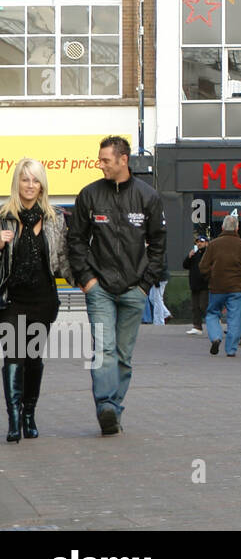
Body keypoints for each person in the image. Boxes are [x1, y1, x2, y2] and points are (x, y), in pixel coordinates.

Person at [67, 135, 167, 436]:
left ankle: (113, 410)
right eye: (100, 160)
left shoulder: (148, 196)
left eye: (106, 161)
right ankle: (105, 407)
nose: (101, 166)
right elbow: (76, 240)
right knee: (104, 350)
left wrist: (145, 285)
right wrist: (87, 280)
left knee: (123, 356)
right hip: (100, 289)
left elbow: (160, 245)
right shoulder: (89, 195)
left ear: (123, 160)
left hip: (134, 290)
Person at [0, 159, 70, 442]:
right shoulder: (3, 217)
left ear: (42, 185)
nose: (30, 185)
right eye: (25, 179)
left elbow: (64, 259)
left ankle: (30, 414)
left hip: (42, 300)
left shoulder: (56, 219)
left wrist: (89, 283)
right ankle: (14, 418)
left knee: (33, 358)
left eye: (35, 180)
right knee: (14, 355)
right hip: (11, 300)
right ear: (16, 182)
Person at [199, 214, 241, 357]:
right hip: (236, 287)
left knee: (212, 313)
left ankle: (216, 337)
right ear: (237, 228)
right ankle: (231, 349)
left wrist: (211, 276)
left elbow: (203, 266)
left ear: (223, 227)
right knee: (235, 317)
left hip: (217, 286)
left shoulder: (213, 244)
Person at [182, 230, 210, 335]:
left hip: (205, 285)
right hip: (194, 285)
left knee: (203, 306)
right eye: (197, 242)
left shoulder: (208, 254)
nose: (199, 244)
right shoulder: (194, 254)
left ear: (206, 243)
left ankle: (214, 322)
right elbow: (185, 265)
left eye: (201, 242)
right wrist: (188, 257)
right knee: (195, 307)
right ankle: (197, 327)